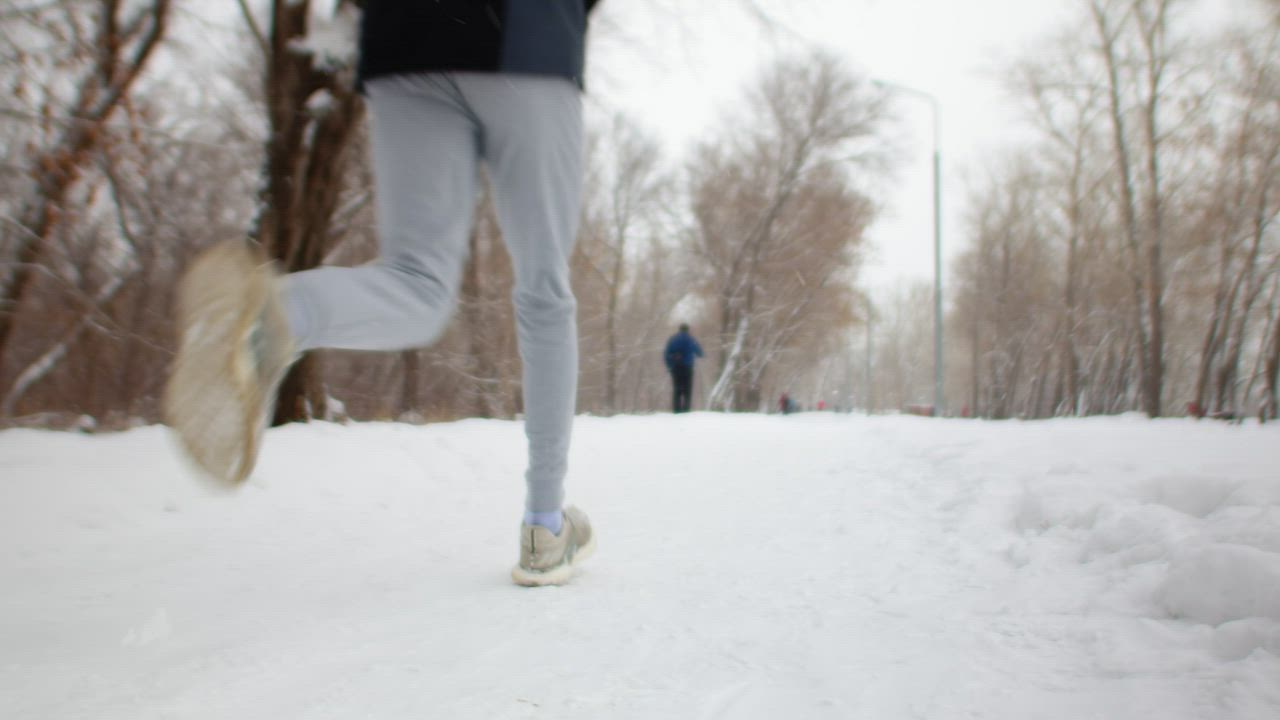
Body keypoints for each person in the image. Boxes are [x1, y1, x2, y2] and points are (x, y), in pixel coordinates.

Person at [164, 0, 600, 587]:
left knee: (415, 282)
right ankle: (545, 527)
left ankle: (277, 315)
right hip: (530, 37)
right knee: (544, 291)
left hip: (402, 44)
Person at [663, 323, 703, 413]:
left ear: (679, 329)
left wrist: (670, 366)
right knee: (687, 389)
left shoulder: (672, 339)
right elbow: (700, 352)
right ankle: (686, 409)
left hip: (676, 368)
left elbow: (666, 354)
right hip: (687, 367)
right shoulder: (691, 339)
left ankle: (676, 410)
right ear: (687, 330)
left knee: (677, 389)